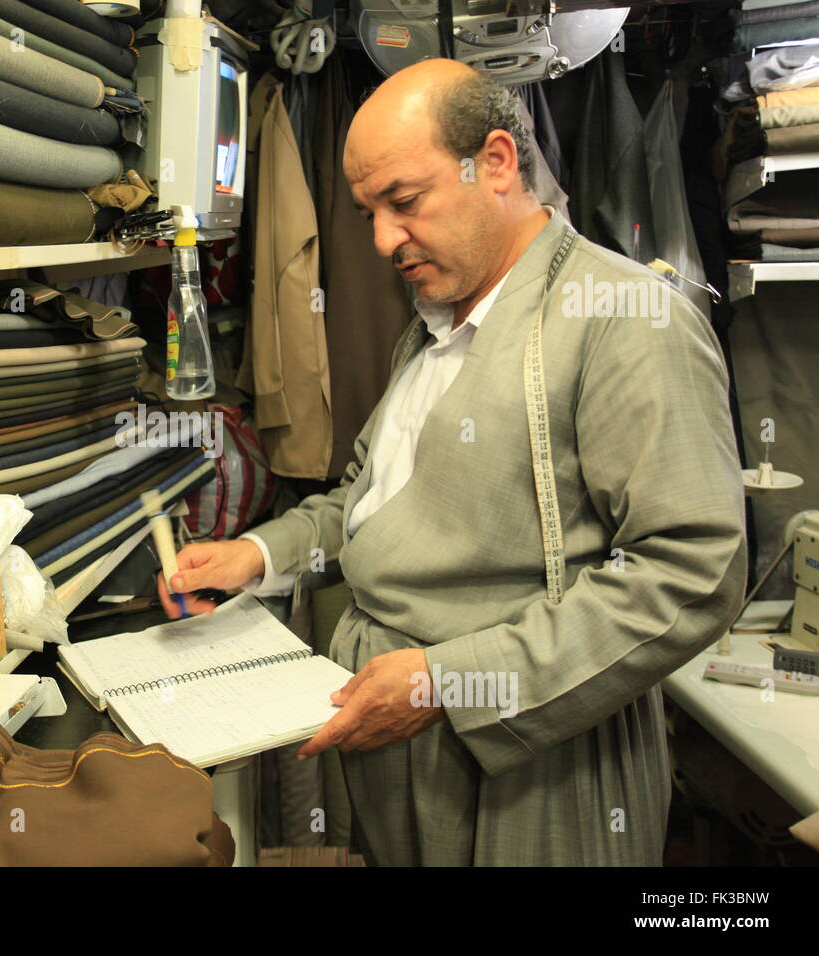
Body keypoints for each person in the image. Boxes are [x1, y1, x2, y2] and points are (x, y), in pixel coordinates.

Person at [155, 58, 747, 865]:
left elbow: (691, 573)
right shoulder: (434, 326)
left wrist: (451, 682)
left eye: (403, 203)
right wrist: (256, 555)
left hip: (531, 762)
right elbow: (370, 500)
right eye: (368, 212)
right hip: (397, 745)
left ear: (497, 163)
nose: (381, 240)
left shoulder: (623, 321)